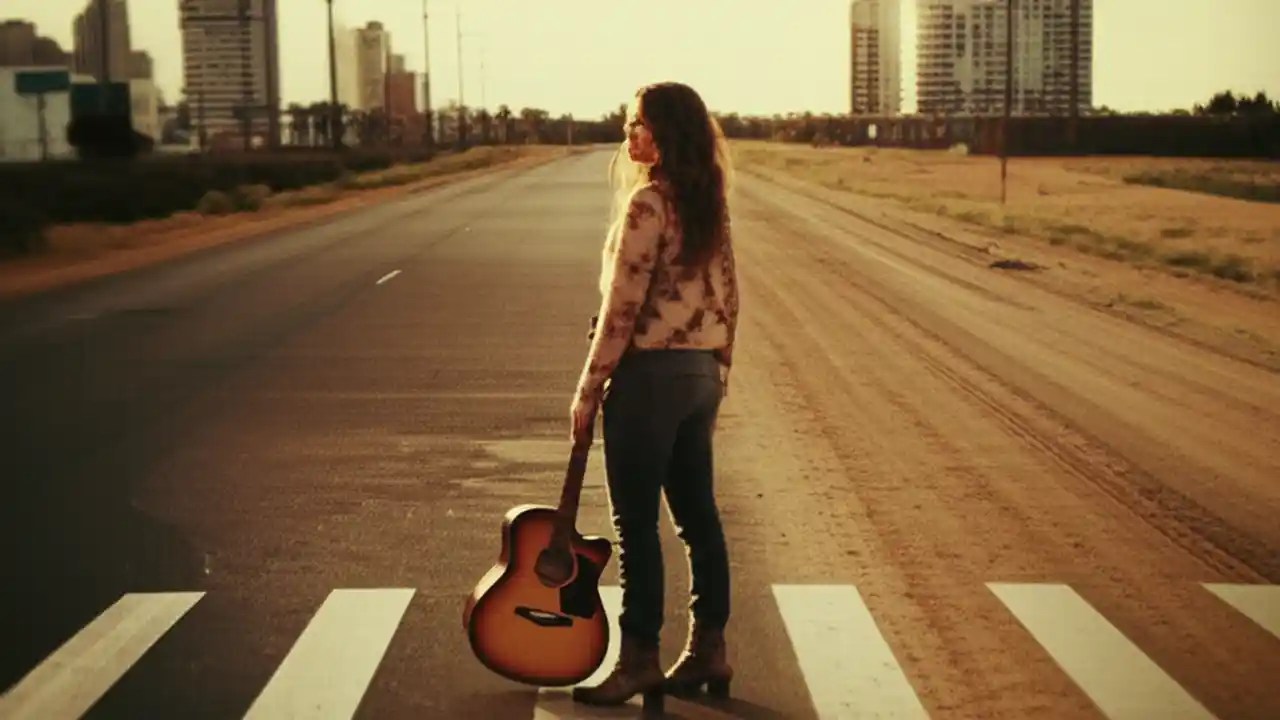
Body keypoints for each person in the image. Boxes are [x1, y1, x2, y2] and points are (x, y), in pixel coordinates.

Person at [569, 81, 739, 707]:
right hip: (699, 377)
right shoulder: (708, 204)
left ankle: (639, 658)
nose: (629, 135)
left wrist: (587, 391)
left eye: (638, 124)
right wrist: (719, 368)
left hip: (648, 379)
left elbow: (621, 310)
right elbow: (730, 295)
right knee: (698, 518)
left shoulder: (648, 204)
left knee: (635, 523)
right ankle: (708, 651)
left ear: (665, 134)